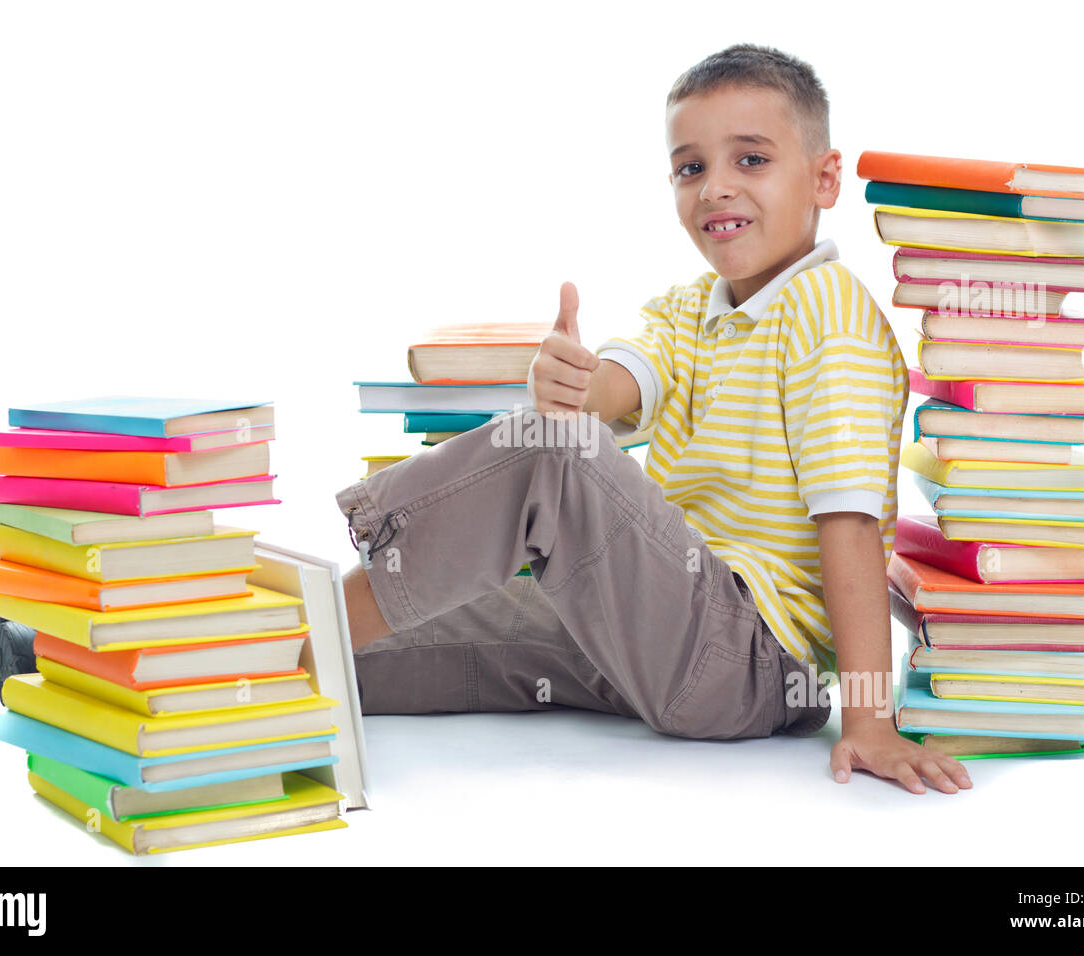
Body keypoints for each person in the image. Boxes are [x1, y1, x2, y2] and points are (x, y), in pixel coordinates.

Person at [334, 43, 972, 795]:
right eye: (691, 168)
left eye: (752, 160)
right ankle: (263, 658)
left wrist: (868, 721)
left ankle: (332, 614)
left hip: (745, 660)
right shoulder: (687, 309)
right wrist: (574, 385)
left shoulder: (831, 316)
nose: (716, 189)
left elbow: (851, 525)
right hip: (649, 632)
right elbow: (620, 386)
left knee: (552, 450)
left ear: (823, 178)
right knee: (399, 635)